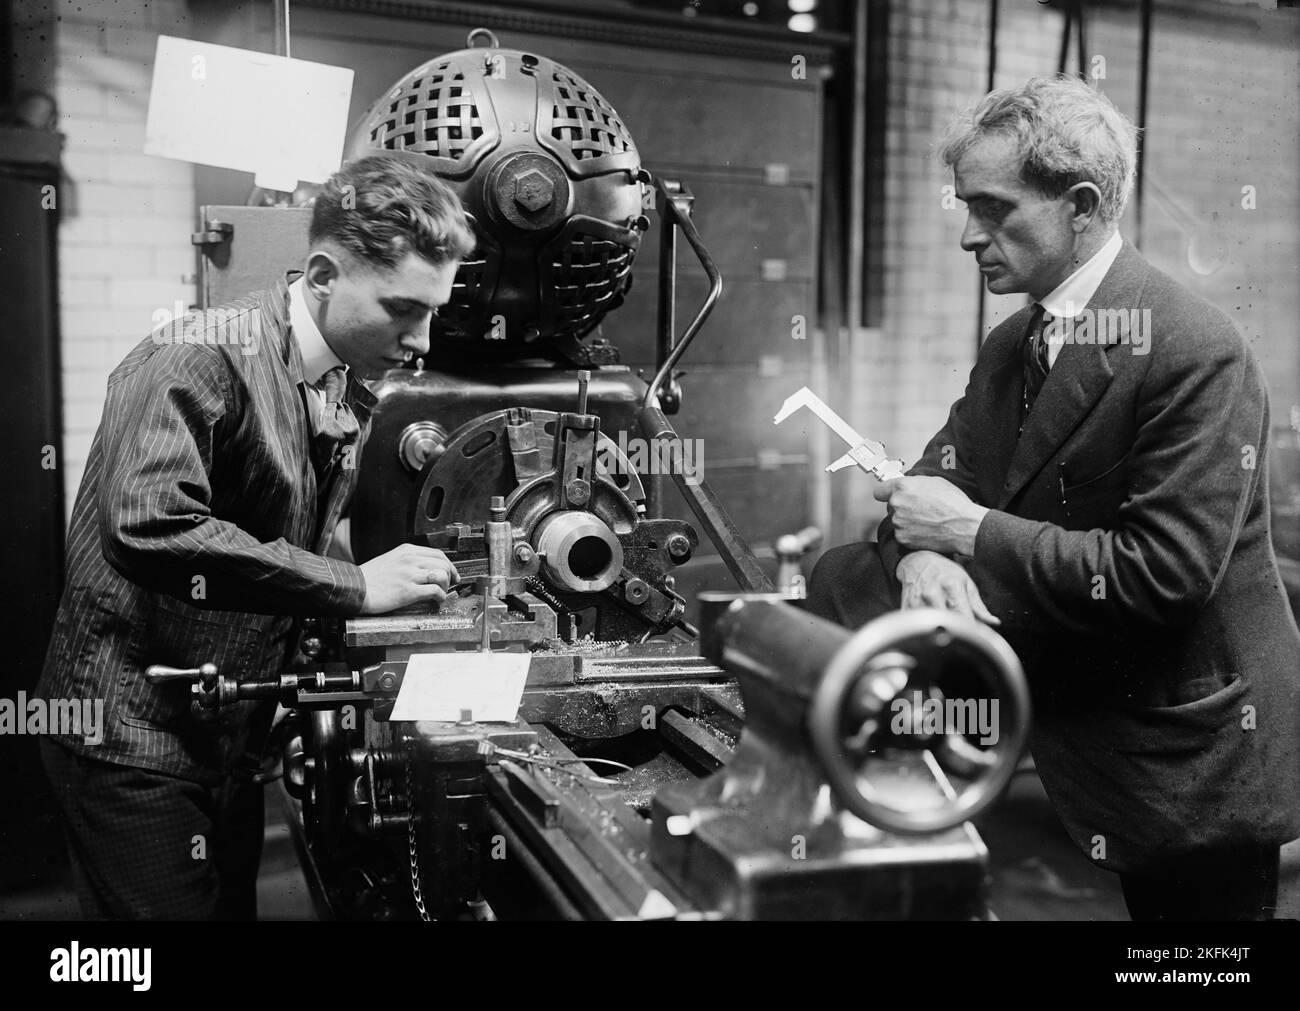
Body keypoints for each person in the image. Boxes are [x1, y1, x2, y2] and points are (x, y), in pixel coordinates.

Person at [806, 76, 1300, 921]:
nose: (970, 236)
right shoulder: (1017, 340)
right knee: (841, 573)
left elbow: (1163, 576)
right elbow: (932, 486)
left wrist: (972, 531)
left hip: (1189, 747)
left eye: (995, 210)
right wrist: (927, 549)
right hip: (1087, 719)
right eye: (965, 207)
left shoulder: (1193, 348)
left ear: (1080, 204)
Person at [35, 153, 476, 919]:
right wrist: (357, 586)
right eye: (404, 308)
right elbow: (149, 524)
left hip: (222, 736)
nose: (422, 341)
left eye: (433, 310)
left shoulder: (338, 374)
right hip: (132, 737)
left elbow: (281, 527)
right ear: (323, 272)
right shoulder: (198, 354)